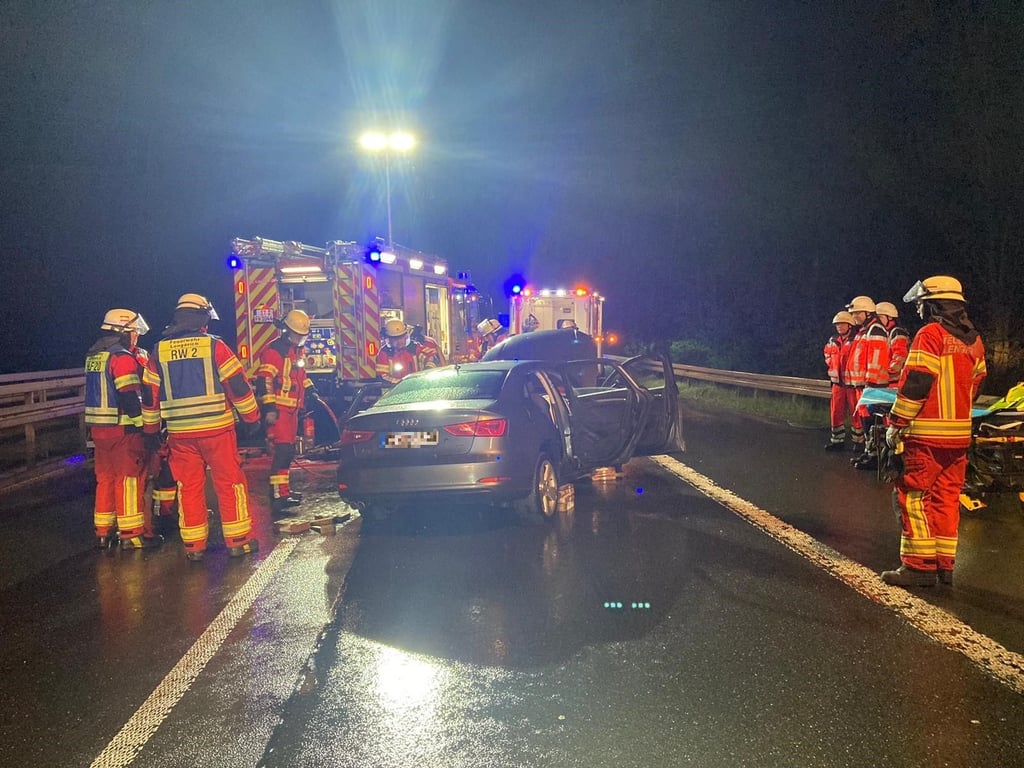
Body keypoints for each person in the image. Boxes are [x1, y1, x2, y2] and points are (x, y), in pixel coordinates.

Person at [881, 276, 986, 588]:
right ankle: (944, 565)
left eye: (922, 304)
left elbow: (916, 382)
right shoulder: (974, 340)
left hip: (925, 436)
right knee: (946, 499)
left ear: (933, 305)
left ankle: (917, 566)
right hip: (958, 438)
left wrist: (896, 423)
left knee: (913, 497)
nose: (920, 310)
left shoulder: (931, 334)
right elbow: (977, 384)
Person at [142, 294, 262, 561]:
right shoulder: (214, 347)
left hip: (180, 435)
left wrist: (150, 431)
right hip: (217, 430)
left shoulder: (158, 351)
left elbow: (150, 396)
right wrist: (252, 418)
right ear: (202, 319)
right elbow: (238, 386)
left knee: (189, 486)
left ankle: (194, 546)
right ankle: (238, 540)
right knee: (229, 483)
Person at [85, 309, 163, 550]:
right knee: (129, 479)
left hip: (99, 431)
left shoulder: (94, 356)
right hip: (123, 430)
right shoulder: (122, 358)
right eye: (133, 333)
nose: (136, 337)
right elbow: (129, 396)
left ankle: (103, 531)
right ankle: (131, 534)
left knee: (105, 479)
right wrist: (145, 426)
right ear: (122, 332)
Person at [255, 309, 326, 515]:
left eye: (303, 335)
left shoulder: (295, 350)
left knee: (287, 453)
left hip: (292, 410)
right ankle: (277, 494)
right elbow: (265, 380)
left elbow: (299, 376)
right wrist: (269, 408)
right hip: (279, 410)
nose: (301, 338)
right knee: (283, 452)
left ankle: (283, 492)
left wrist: (311, 389)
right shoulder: (274, 351)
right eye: (298, 335)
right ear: (287, 331)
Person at [846, 295, 890, 469]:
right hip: (864, 386)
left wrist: (870, 381)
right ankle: (870, 452)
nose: (854, 316)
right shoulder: (865, 330)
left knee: (872, 423)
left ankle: (876, 457)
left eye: (857, 313)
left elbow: (876, 357)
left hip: (873, 385)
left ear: (867, 312)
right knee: (866, 422)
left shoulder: (876, 330)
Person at [823, 310, 857, 451]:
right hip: (837, 383)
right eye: (837, 324)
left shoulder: (855, 340)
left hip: (851, 383)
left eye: (842, 324)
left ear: (850, 325)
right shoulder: (833, 340)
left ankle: (859, 442)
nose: (839, 327)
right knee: (836, 412)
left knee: (856, 412)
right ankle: (837, 441)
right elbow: (827, 354)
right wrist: (831, 365)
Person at [874, 301, 910, 386]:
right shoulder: (887, 332)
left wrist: (888, 371)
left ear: (890, 317)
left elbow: (900, 355)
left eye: (880, 317)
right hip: (889, 380)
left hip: (894, 381)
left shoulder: (897, 332)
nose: (877, 321)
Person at [375, 318, 419, 383]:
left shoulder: (416, 348)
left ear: (405, 335)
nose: (399, 341)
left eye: (401, 337)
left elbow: (430, 363)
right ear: (388, 339)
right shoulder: (384, 353)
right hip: (394, 390)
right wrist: (400, 384)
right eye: (395, 338)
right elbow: (382, 376)